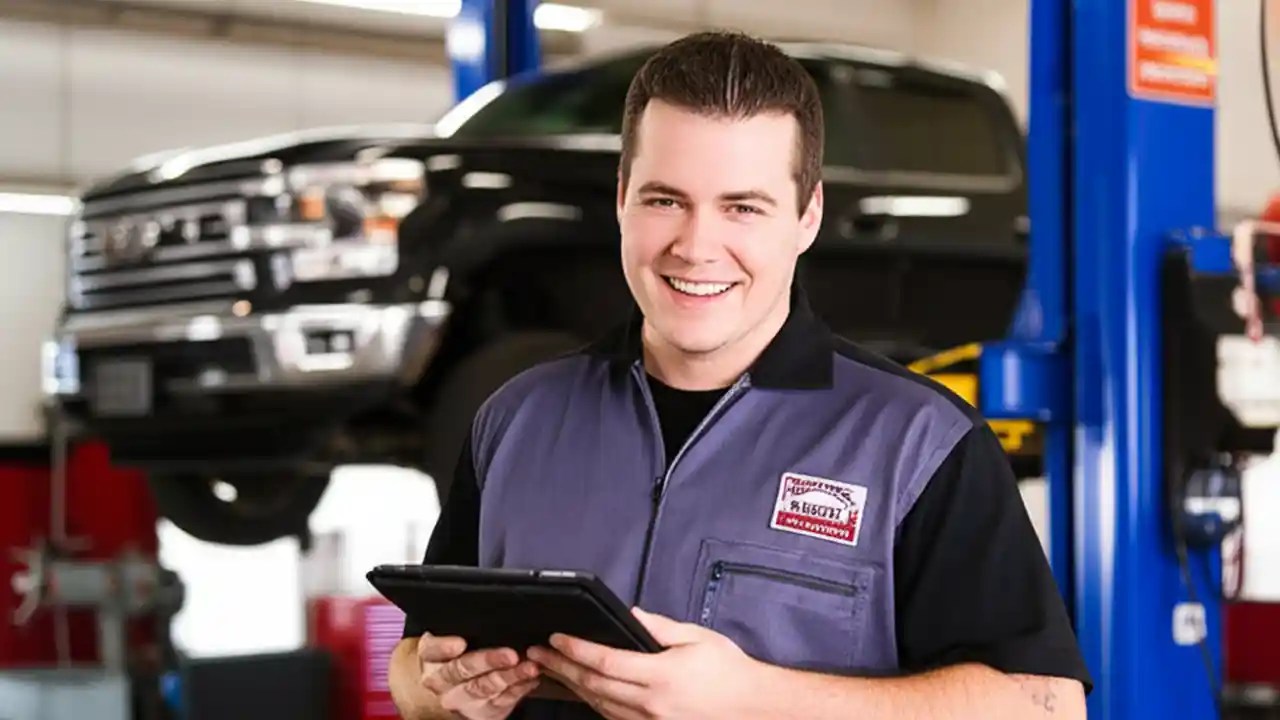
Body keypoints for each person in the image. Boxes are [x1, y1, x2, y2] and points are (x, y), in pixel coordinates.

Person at [388, 30, 1091, 720]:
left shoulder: (919, 443)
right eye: (666, 200)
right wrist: (441, 694)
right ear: (622, 198)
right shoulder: (516, 421)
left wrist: (753, 698)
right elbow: (414, 663)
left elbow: (1047, 707)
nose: (696, 247)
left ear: (807, 216)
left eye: (742, 208)